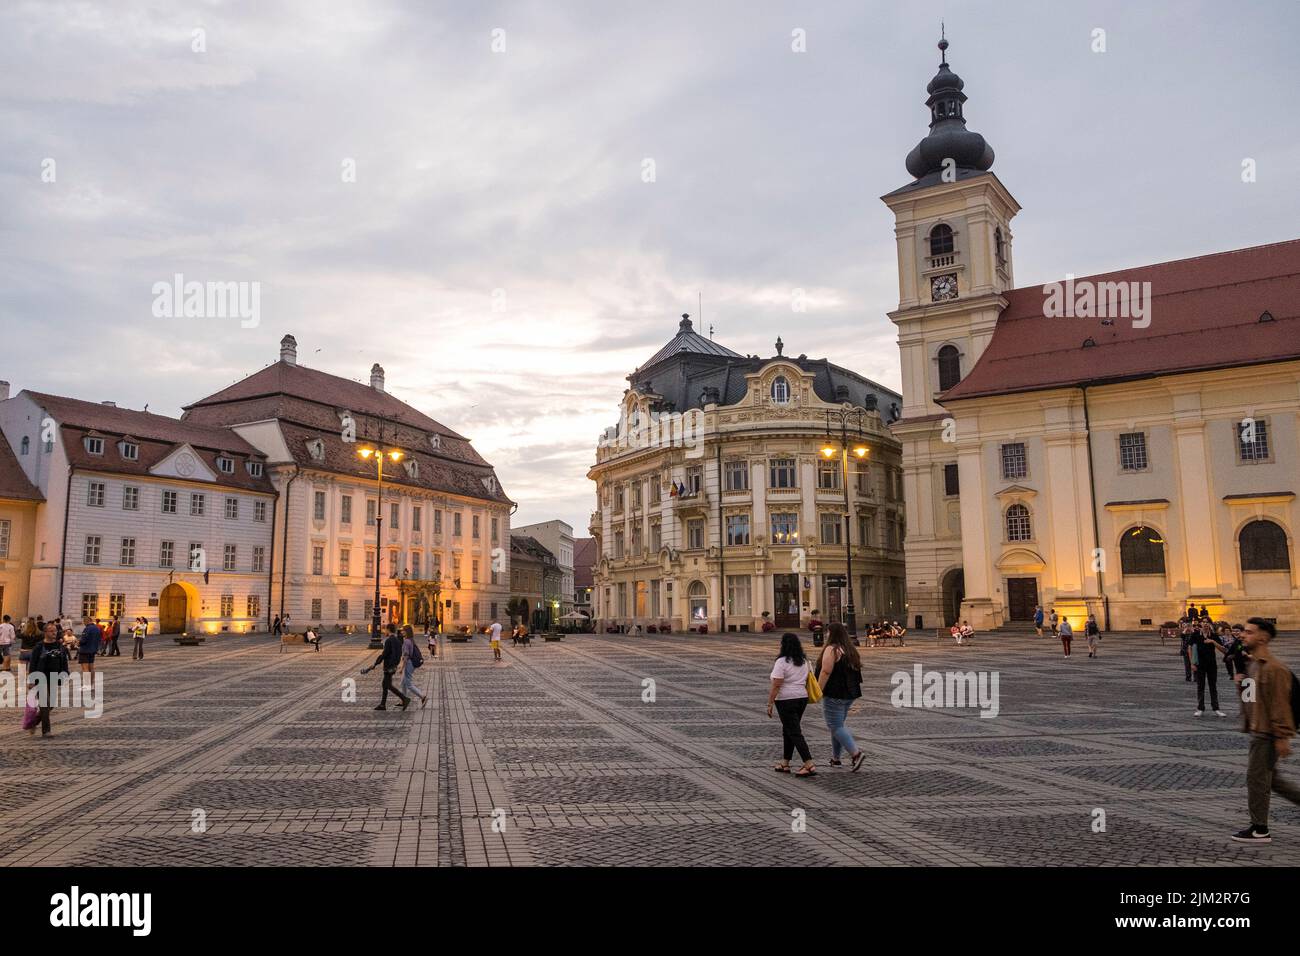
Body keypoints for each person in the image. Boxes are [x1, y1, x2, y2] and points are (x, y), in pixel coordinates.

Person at [1232, 619, 1300, 843]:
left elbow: (1280, 705)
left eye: (1249, 632)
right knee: (1273, 781)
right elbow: (1250, 702)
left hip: (1267, 734)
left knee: (1257, 780)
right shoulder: (1253, 665)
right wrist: (1240, 686)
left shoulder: (1275, 668)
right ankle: (1259, 827)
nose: (1243, 635)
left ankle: (1259, 829)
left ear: (1263, 638)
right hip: (1257, 731)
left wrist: (1282, 736)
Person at [815, 623, 865, 772]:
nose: (825, 635)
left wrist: (817, 690)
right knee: (837, 726)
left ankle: (856, 754)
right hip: (848, 694)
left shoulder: (832, 649)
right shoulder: (849, 649)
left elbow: (825, 671)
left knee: (835, 726)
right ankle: (836, 758)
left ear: (832, 634)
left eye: (827, 632)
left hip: (834, 693)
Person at [767, 632, 815, 777]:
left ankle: (808, 763)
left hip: (786, 699)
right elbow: (810, 677)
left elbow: (776, 684)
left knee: (794, 731)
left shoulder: (782, 662)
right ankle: (785, 762)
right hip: (801, 698)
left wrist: (770, 703)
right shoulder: (804, 661)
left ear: (783, 645)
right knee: (788, 730)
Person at [28, 622, 69, 737]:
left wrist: (65, 674)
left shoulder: (59, 646)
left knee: (51, 704)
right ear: (45, 632)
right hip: (40, 678)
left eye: (55, 631)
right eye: (51, 631)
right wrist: (31, 680)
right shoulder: (39, 647)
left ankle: (34, 721)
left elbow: (64, 661)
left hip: (54, 677)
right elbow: (33, 663)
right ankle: (46, 731)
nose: (54, 633)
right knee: (44, 704)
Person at [363, 624, 409, 710]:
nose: (384, 631)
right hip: (393, 665)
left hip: (389, 666)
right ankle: (382, 705)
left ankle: (404, 699)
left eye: (385, 630)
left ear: (388, 630)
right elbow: (398, 654)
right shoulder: (398, 640)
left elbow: (384, 654)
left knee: (388, 685)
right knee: (385, 685)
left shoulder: (389, 641)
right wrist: (395, 664)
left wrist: (375, 664)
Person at [1190, 621, 1225, 717]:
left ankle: (1216, 708)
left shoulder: (1213, 635)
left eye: (1207, 622)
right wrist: (1192, 663)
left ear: (1210, 625)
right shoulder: (1195, 635)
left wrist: (1213, 642)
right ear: (1201, 625)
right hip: (1199, 665)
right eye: (1203, 622)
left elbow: (1223, 649)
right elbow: (1190, 648)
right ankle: (1200, 708)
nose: (1205, 624)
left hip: (1211, 664)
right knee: (1200, 686)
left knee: (1213, 687)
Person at [399, 624, 428, 708]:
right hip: (410, 663)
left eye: (403, 630)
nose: (401, 632)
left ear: (407, 631)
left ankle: (422, 697)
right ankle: (403, 700)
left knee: (408, 684)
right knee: (402, 683)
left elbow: (406, 655)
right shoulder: (410, 640)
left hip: (409, 663)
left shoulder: (406, 641)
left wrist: (402, 667)